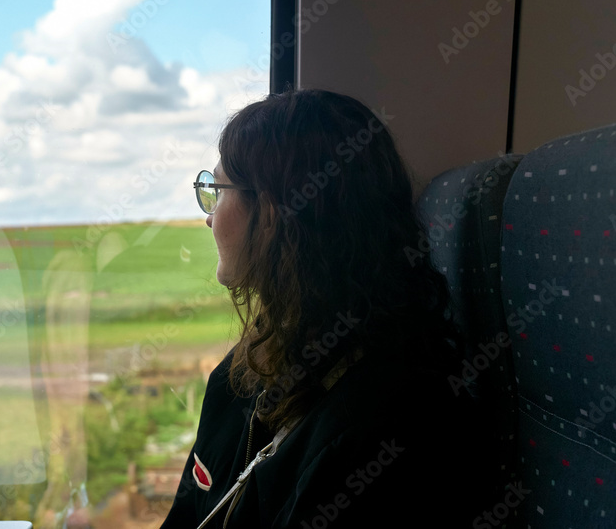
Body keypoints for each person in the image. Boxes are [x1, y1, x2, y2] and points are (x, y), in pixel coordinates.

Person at [160, 88, 492, 528]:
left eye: (216, 191)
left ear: (274, 213)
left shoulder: (387, 432)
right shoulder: (246, 371)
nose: (209, 216)